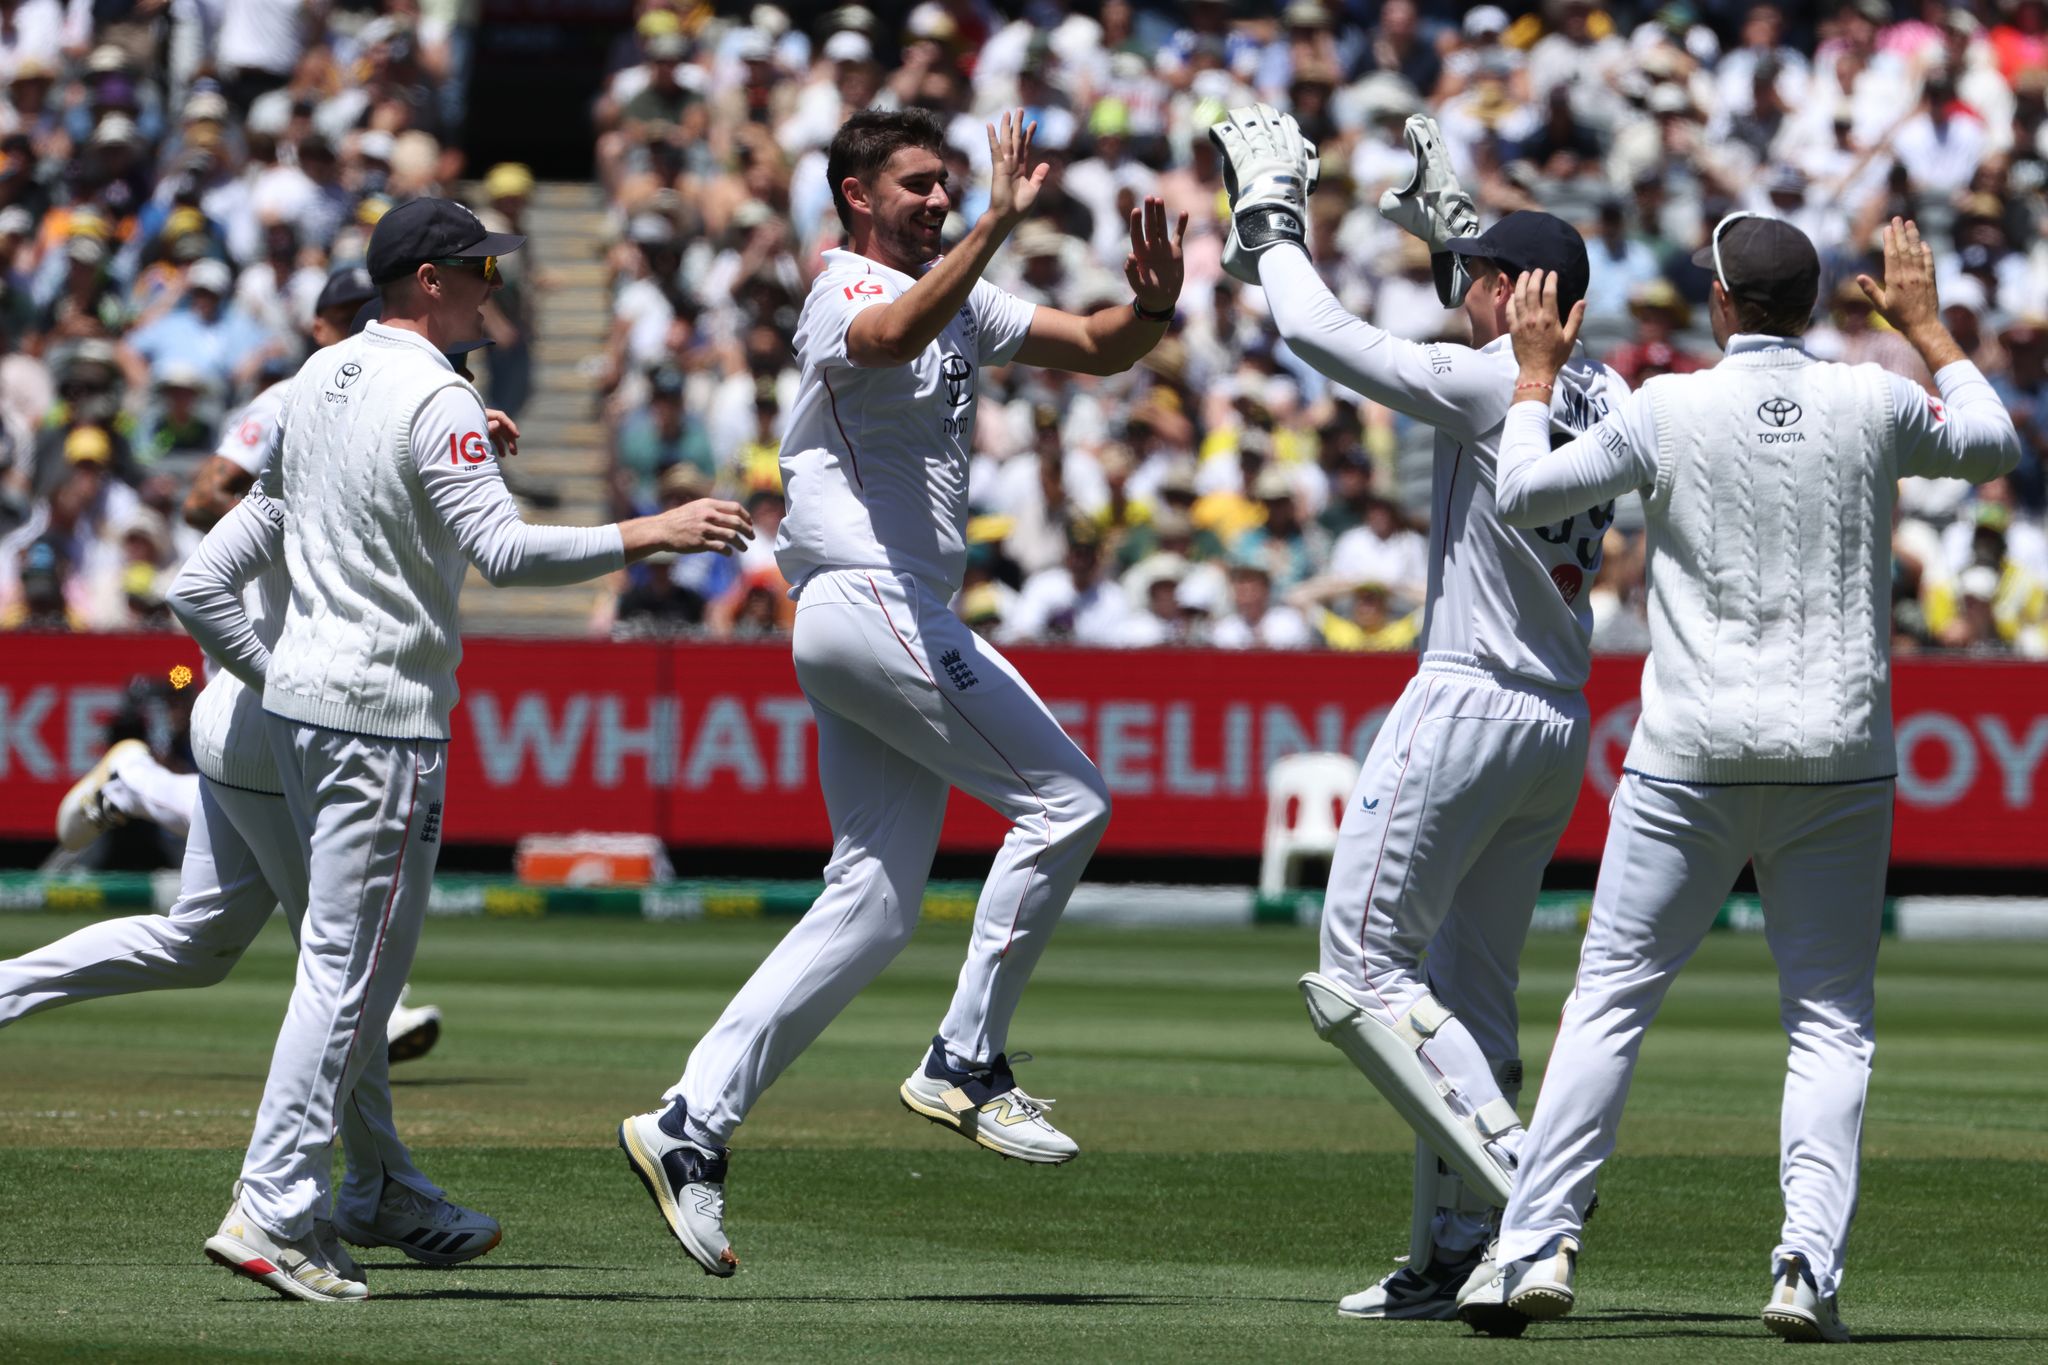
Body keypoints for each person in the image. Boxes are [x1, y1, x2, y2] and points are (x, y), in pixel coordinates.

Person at [616, 107, 1186, 1278]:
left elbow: (1091, 343)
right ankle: (965, 1059)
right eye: (916, 187)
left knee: (872, 902)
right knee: (1068, 801)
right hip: (868, 600)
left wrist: (1155, 304)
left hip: (877, 616)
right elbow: (882, 338)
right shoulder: (840, 285)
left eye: (943, 187)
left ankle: (690, 1123)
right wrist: (990, 222)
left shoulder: (955, 294)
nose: (934, 202)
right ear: (855, 195)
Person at [1455, 217, 2019, 1341]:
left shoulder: (1664, 405)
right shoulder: (1871, 397)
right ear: (1811, 306)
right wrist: (1923, 325)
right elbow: (1993, 444)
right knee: (1827, 1025)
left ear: (1718, 303)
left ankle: (1528, 1250)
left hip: (1688, 759)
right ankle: (1802, 1266)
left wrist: (1530, 376)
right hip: (1836, 755)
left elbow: (1520, 495)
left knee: (1608, 1004)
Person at [204, 196, 752, 1303]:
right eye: (478, 271)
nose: (494, 289)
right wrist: (653, 529)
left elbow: (269, 531)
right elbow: (501, 553)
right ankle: (272, 1208)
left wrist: (457, 453)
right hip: (379, 715)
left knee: (343, 970)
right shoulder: (439, 392)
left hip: (302, 704)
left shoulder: (313, 379)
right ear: (425, 281)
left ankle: (368, 1192)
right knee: (348, 976)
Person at [1210, 104, 1628, 1321]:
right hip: (1553, 720)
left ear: (1514, 294)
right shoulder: (1596, 387)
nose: (1464, 293)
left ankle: (1525, 1191)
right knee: (1467, 994)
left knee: (1356, 973)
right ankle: (1451, 1247)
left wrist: (1270, 213)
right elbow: (1486, 323)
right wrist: (1458, 231)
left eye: (1480, 278)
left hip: (1464, 700)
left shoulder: (1489, 382)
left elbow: (1314, 330)